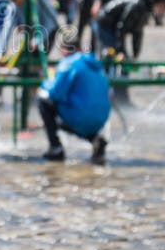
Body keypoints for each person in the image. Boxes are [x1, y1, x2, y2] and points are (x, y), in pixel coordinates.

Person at [37, 27, 111, 164]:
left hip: (80, 116)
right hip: (102, 118)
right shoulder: (95, 63)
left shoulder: (68, 64)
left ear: (64, 49)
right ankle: (95, 138)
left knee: (43, 101)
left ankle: (55, 147)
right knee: (79, 112)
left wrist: (45, 83)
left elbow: (54, 93)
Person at [92, 0, 165, 60]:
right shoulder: (138, 5)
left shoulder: (144, 7)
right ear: (161, 4)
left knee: (121, 55)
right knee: (112, 53)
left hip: (111, 25)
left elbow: (137, 32)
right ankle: (106, 74)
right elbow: (121, 27)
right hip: (104, 23)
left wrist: (135, 54)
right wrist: (120, 51)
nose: (163, 12)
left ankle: (114, 73)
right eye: (164, 9)